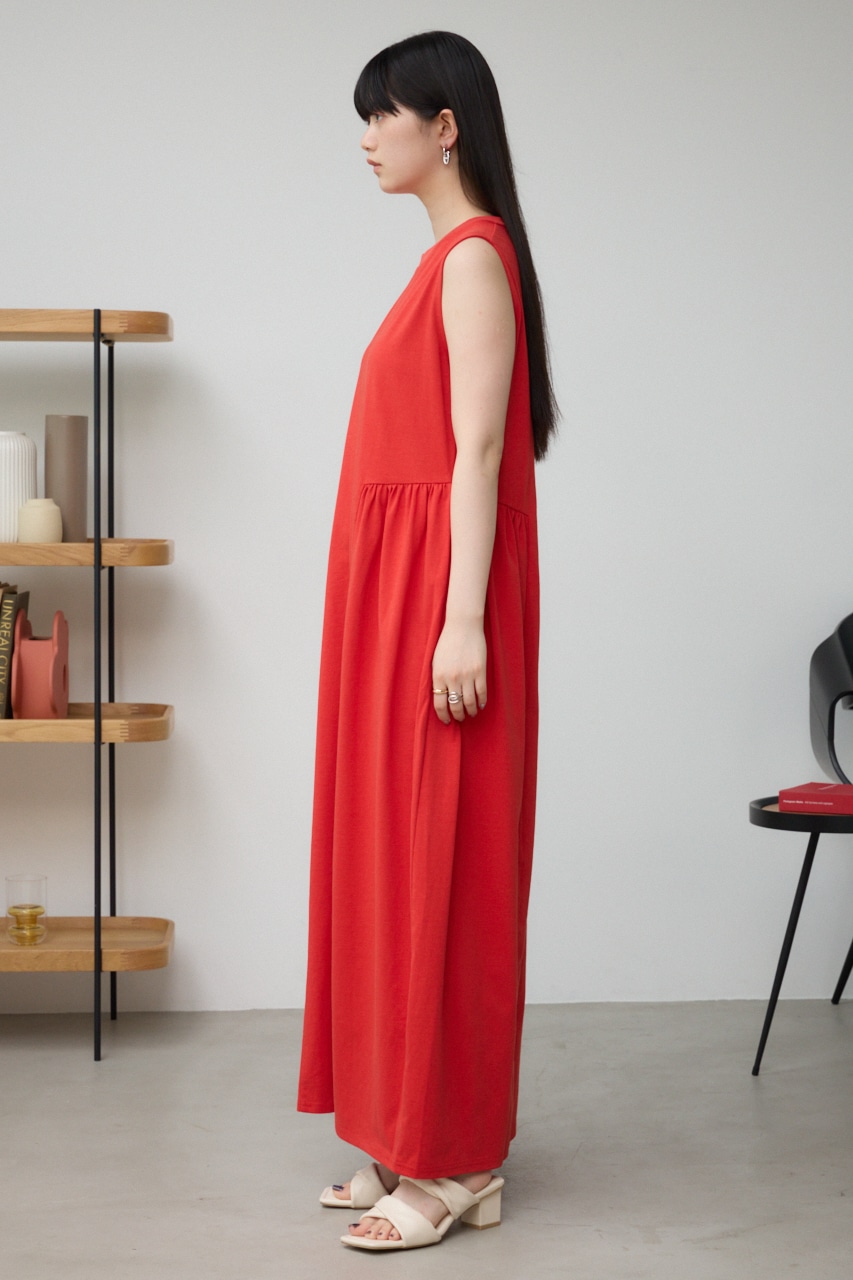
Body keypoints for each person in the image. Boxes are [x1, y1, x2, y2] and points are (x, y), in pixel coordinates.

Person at [297, 30, 557, 1252]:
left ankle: (456, 1161)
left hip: (437, 601)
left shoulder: (473, 260)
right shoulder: (445, 262)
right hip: (393, 598)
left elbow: (479, 453)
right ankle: (407, 1132)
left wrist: (459, 621)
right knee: (392, 859)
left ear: (443, 125)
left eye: (382, 115)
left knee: (448, 865)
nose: (366, 138)